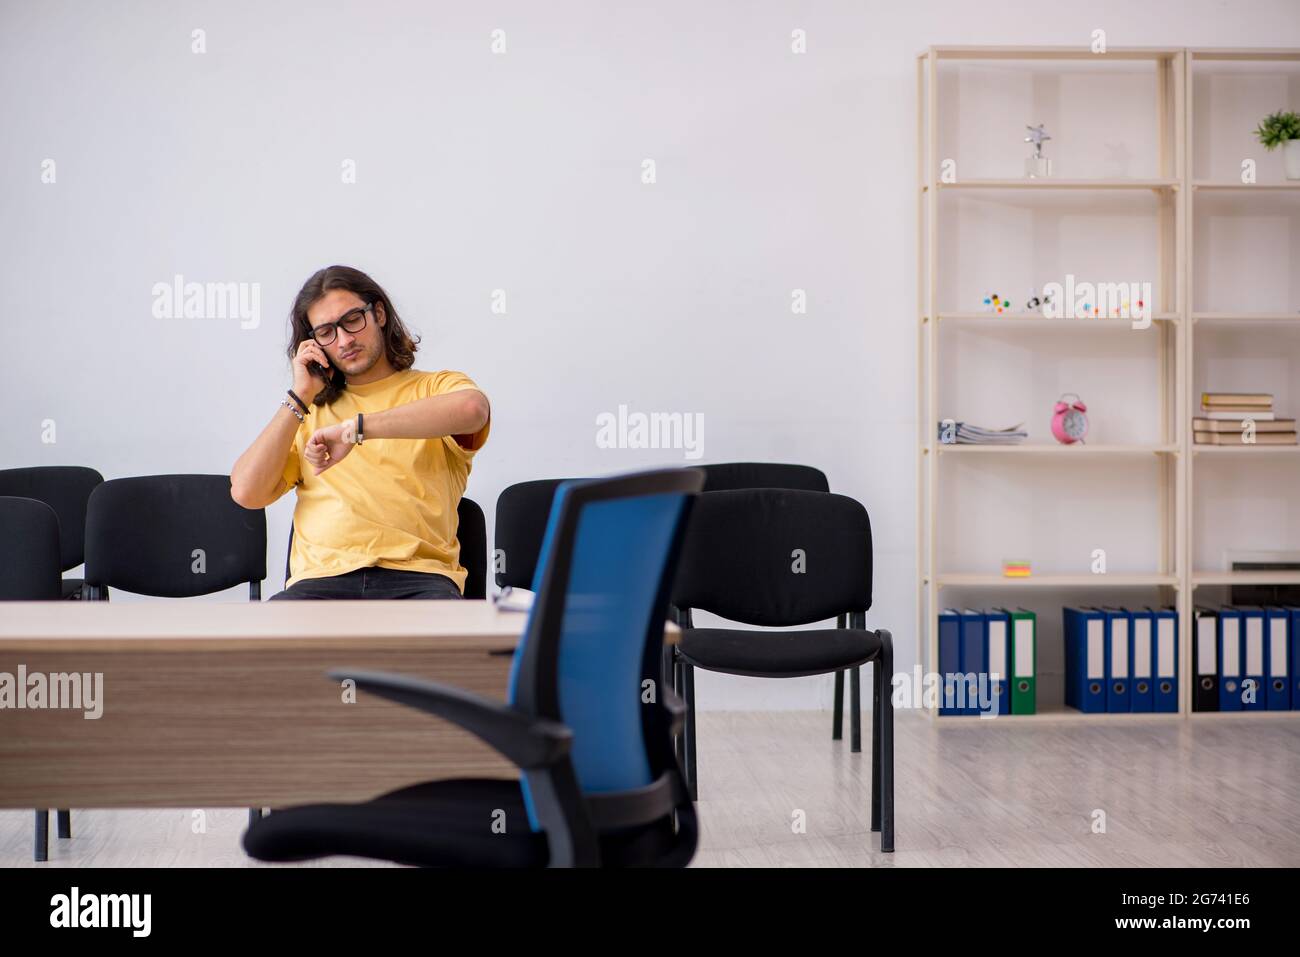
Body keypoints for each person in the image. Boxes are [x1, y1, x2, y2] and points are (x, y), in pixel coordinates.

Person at [230, 265, 490, 600]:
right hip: (319, 584)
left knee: (443, 649)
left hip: (419, 581)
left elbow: (472, 410)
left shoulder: (435, 388)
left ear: (378, 313)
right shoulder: (308, 412)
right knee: (260, 648)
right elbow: (245, 492)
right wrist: (300, 395)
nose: (345, 340)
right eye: (326, 332)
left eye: (352, 319)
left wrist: (357, 429)